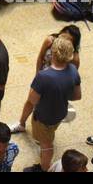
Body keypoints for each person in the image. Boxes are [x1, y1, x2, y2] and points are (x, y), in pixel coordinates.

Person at [19, 35, 81, 171]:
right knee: (49, 134)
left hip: (43, 116)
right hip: (60, 113)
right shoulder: (73, 71)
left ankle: (44, 168)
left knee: (47, 146)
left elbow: (32, 100)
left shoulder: (44, 76)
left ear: (53, 53)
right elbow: (77, 96)